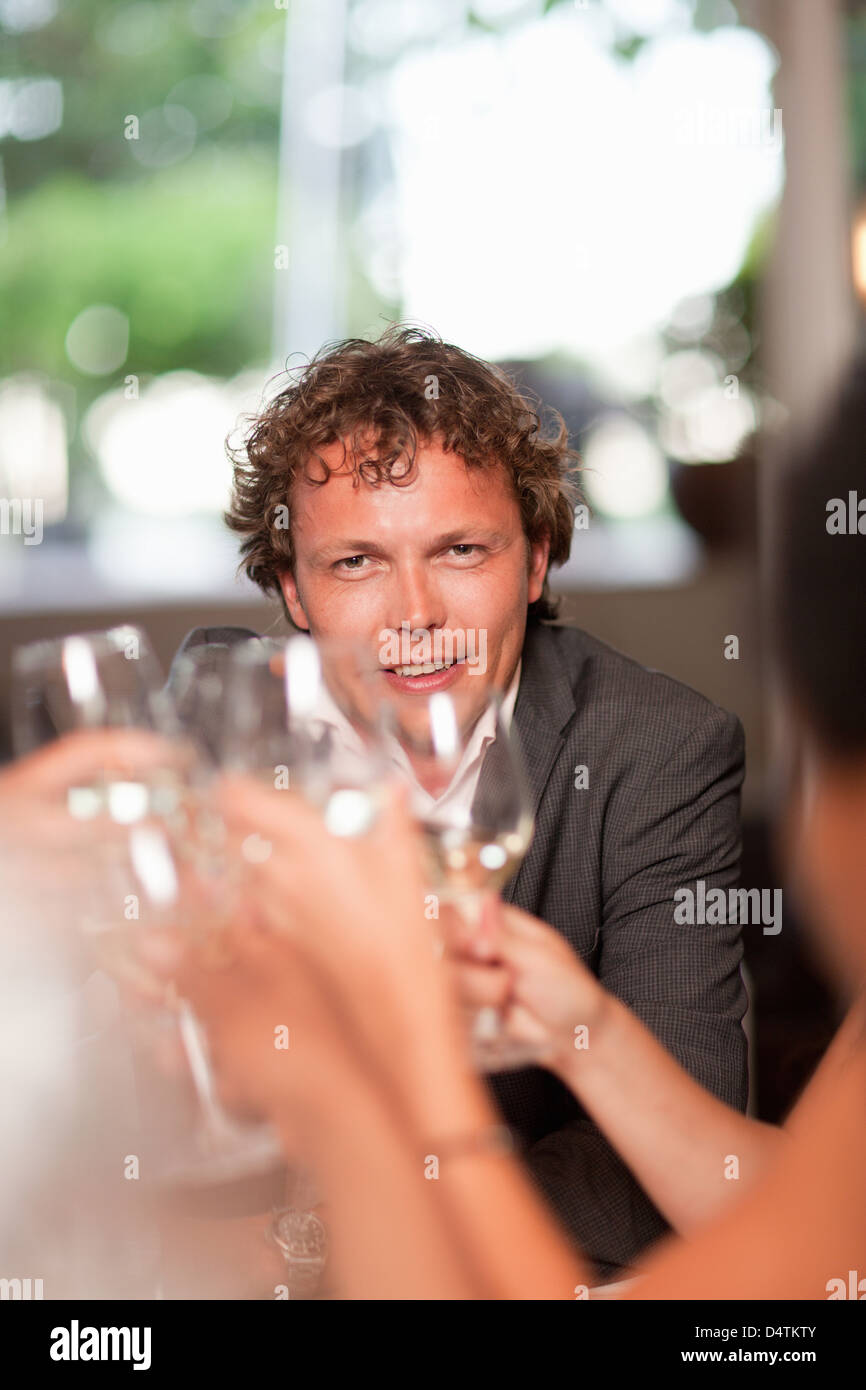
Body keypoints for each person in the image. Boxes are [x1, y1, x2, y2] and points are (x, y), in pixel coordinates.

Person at [170, 353, 866, 1300]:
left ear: (536, 560)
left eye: (462, 551)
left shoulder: (655, 748)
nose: (415, 618)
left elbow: (665, 1166)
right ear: (292, 589)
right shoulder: (221, 724)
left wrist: (315, 1236)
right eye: (357, 563)